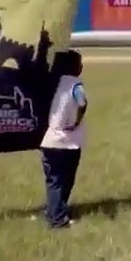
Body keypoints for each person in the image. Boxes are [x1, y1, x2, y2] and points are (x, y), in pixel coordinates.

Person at [39, 50, 86, 229]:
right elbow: (82, 102)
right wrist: (76, 121)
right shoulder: (75, 84)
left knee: (53, 181)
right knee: (65, 180)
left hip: (49, 141)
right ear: (76, 67)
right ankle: (58, 219)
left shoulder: (54, 82)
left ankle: (55, 210)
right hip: (67, 142)